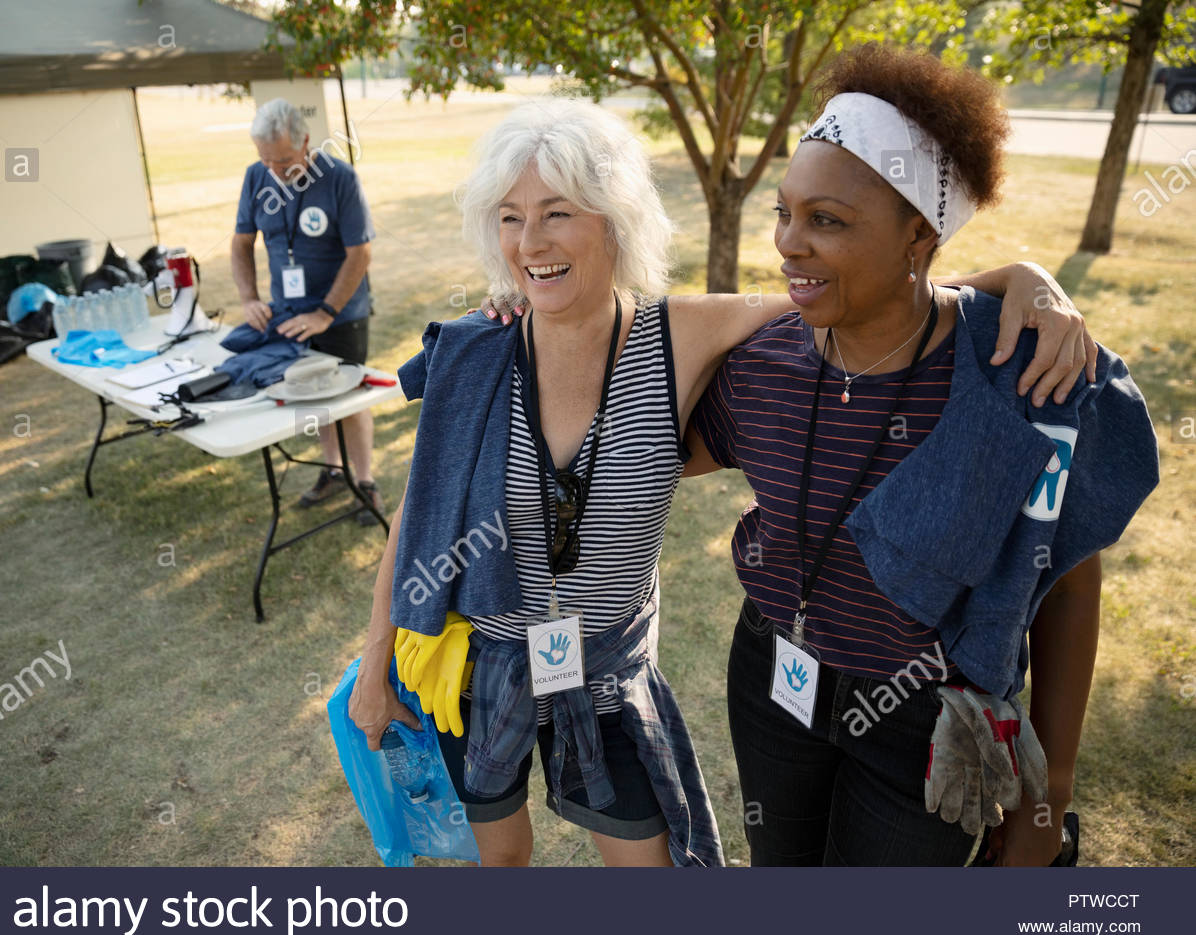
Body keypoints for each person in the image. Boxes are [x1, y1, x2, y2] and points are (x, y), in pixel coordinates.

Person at [348, 98, 1096, 867]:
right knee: (498, 862)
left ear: (613, 218)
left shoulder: (687, 333)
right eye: (510, 218)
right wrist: (375, 664)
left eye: (557, 214)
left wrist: (1023, 278)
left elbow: (880, 296)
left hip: (606, 672)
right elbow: (420, 517)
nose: (529, 242)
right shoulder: (478, 353)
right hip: (484, 664)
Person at [685, 45, 1158, 866]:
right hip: (774, 678)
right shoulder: (763, 365)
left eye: (827, 220)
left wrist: (1054, 789)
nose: (789, 243)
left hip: (930, 716)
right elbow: (620, 452)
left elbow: (1069, 584)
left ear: (918, 234)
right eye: (785, 212)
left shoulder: (1014, 377)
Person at [231, 97, 384, 522]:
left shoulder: (339, 179)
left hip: (341, 313)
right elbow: (242, 243)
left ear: (306, 142)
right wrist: (249, 298)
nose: (276, 171)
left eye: (284, 160)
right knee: (312, 391)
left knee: (349, 395)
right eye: (266, 161)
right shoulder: (256, 178)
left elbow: (360, 253)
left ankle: (365, 480)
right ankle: (333, 471)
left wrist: (327, 312)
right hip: (288, 313)